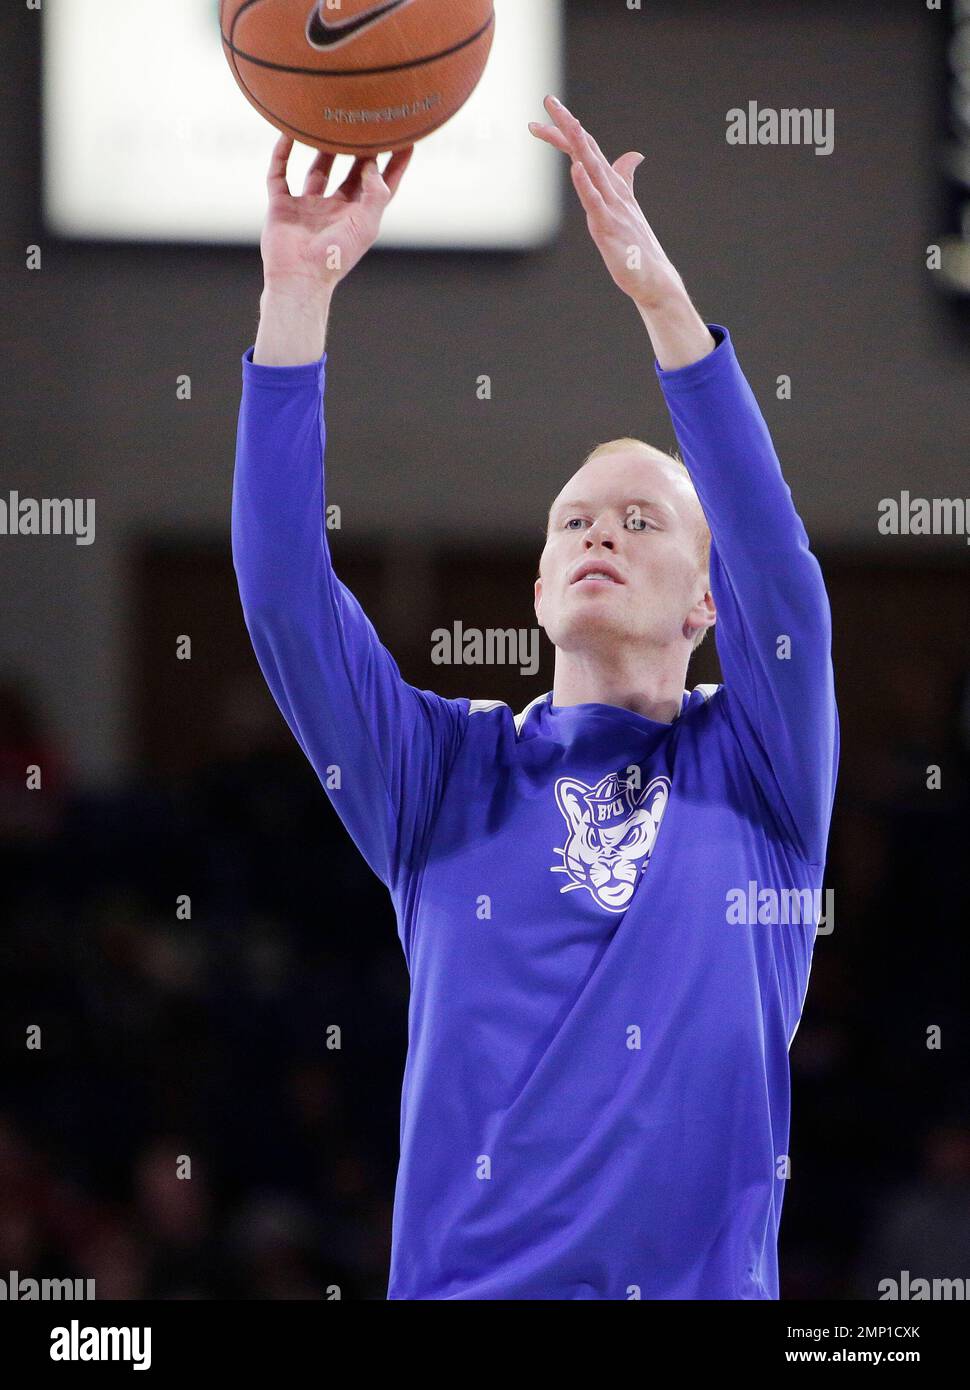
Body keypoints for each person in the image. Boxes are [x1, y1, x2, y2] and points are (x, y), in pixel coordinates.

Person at [231, 95, 839, 1300]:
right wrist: (295, 298)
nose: (598, 533)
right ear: (540, 585)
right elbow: (285, 600)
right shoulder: (439, 775)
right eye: (573, 521)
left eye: (639, 518)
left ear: (704, 604)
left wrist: (664, 308)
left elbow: (784, 572)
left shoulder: (762, 770)